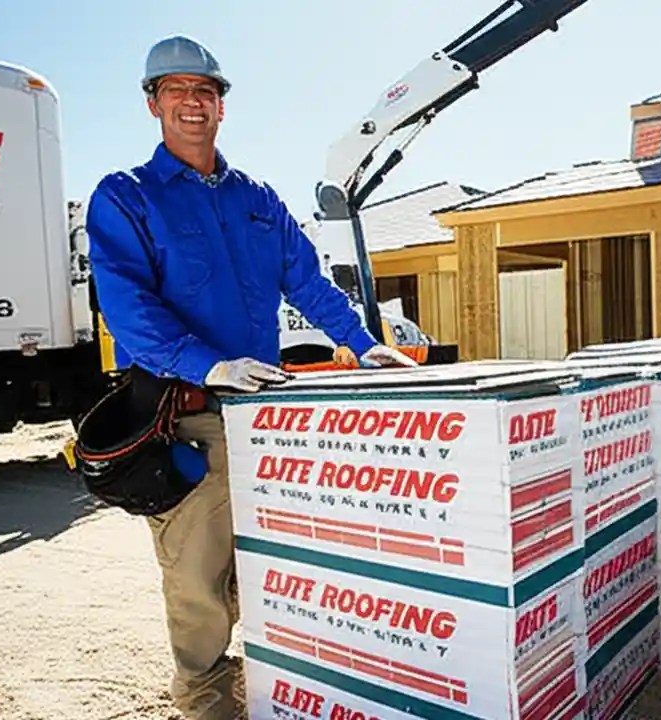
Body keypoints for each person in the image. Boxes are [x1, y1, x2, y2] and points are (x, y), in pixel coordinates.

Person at [84, 34, 417, 720]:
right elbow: (126, 305)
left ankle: (268, 691)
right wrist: (207, 364)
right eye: (175, 91)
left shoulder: (257, 198)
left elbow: (307, 279)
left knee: (273, 573)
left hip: (270, 420)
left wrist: (361, 343)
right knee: (199, 584)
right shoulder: (127, 196)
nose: (192, 104)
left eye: (204, 91)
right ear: (153, 105)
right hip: (191, 417)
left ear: (222, 106)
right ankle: (206, 704)